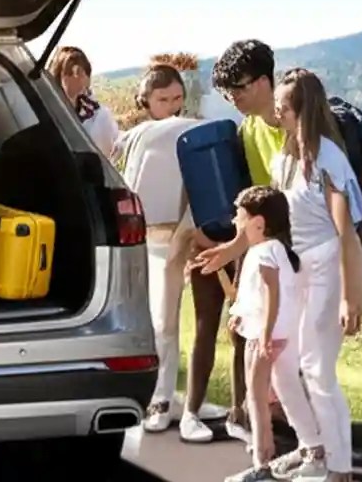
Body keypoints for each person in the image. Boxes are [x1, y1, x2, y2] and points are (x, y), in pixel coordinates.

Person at [197, 67, 362, 482]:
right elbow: (270, 223)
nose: (275, 115)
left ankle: (340, 470)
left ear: (303, 111)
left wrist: (351, 295)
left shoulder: (328, 160)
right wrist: (229, 251)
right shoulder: (283, 160)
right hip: (301, 266)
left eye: (283, 109)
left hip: (329, 265)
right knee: (280, 361)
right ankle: (312, 450)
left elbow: (346, 234)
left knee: (316, 369)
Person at [114, 63, 226, 441]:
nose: (173, 106)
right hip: (138, 237)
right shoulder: (136, 137)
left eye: (178, 98)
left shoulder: (186, 132)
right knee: (148, 320)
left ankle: (163, 399)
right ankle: (154, 396)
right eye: (163, 99)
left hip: (175, 236)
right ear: (146, 101)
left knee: (166, 319)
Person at [184, 39, 285, 445]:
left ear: (263, 81)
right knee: (247, 332)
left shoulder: (295, 126)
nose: (233, 98)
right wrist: (228, 249)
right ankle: (252, 420)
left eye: (238, 89)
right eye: (227, 92)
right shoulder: (247, 131)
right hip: (262, 250)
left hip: (297, 255)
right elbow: (252, 206)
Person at [215, 185, 312, 482]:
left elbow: (272, 292)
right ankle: (314, 446)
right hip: (281, 336)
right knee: (286, 391)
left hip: (264, 338)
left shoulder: (262, 252)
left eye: (240, 217)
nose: (235, 222)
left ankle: (261, 464)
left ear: (258, 223)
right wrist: (242, 318)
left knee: (255, 398)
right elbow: (264, 296)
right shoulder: (281, 250)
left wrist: (265, 334)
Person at [47, 46, 119, 158]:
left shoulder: (97, 113)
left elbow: (114, 142)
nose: (80, 77)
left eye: (83, 72)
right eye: (73, 72)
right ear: (59, 75)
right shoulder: (47, 109)